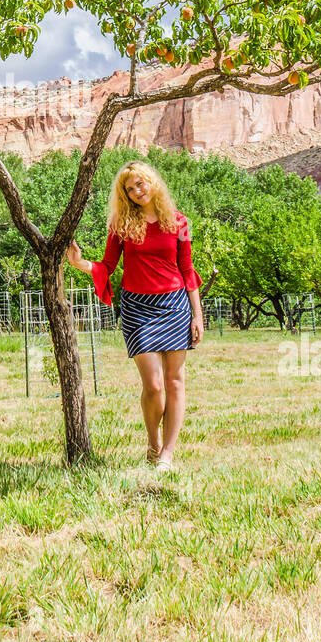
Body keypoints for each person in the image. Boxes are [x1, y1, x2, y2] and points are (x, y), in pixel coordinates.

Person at [66, 161, 204, 472]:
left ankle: (167, 454)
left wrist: (198, 315)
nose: (136, 191)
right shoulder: (121, 224)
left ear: (153, 182)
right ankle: (153, 441)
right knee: (154, 385)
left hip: (175, 306)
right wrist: (79, 264)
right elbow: (107, 266)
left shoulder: (179, 223)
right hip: (138, 308)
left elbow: (187, 271)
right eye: (130, 189)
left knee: (175, 382)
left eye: (140, 184)